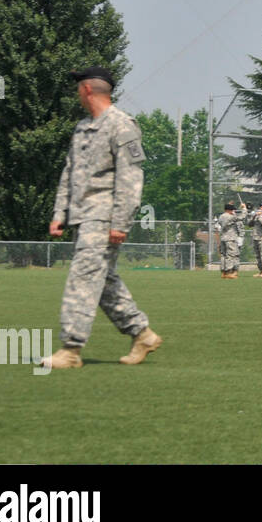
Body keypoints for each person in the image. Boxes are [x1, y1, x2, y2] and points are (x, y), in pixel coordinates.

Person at [42, 66, 160, 369]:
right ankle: (142, 333)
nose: (77, 93)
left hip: (105, 216)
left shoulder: (123, 126)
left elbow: (131, 178)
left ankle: (70, 349)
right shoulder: (83, 128)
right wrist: (60, 213)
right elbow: (69, 172)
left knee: (83, 276)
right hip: (84, 216)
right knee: (103, 280)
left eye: (78, 88)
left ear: (87, 90)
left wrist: (121, 222)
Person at [216, 202, 244, 279]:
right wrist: (244, 208)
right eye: (232, 210)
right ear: (229, 210)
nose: (233, 211)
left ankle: (224, 272)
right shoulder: (229, 217)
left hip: (223, 238)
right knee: (230, 255)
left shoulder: (221, 216)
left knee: (224, 255)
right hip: (230, 238)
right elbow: (241, 217)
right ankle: (229, 272)